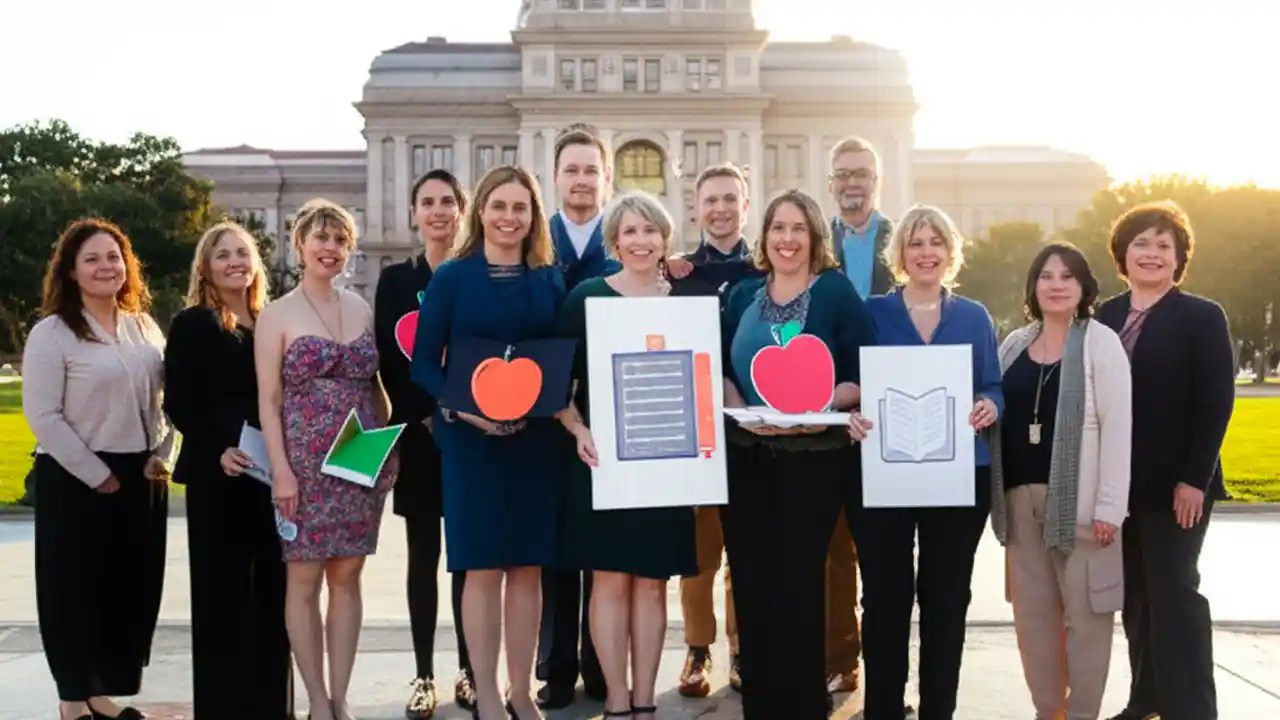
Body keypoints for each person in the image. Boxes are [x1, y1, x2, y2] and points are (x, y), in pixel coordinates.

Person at [410, 165, 568, 720]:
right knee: (480, 569)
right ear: (480, 211)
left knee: (527, 568)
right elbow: (424, 364)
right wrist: (465, 407)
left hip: (534, 441)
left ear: (533, 216)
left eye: (520, 208)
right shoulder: (453, 278)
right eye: (499, 206)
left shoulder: (549, 279)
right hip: (470, 442)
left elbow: (561, 357)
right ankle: (487, 695)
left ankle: (522, 693)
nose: (509, 217)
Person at [720, 189, 877, 720]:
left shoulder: (834, 293)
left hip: (812, 461)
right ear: (764, 237)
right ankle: (760, 705)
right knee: (752, 581)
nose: (787, 239)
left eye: (798, 229)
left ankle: (803, 705)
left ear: (815, 237)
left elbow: (865, 369)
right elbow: (716, 366)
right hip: (745, 458)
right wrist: (740, 405)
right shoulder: (741, 294)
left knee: (797, 584)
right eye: (777, 228)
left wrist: (817, 407)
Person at [847, 204, 1003, 720]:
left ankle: (939, 709)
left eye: (936, 242)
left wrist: (989, 405)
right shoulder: (871, 312)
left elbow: (993, 385)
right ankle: (884, 709)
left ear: (950, 252)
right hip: (884, 475)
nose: (926, 252)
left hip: (958, 477)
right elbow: (855, 384)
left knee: (947, 600)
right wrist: (851, 412)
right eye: (915, 243)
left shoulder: (974, 316)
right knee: (885, 601)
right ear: (900, 254)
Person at [555, 190, 700, 719]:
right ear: (615, 241)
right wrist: (577, 429)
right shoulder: (586, 297)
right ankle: (616, 698)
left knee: (652, 584)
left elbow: (704, 383)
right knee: (610, 580)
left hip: (666, 463)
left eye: (651, 231)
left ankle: (645, 700)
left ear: (666, 239)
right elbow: (557, 387)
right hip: (604, 462)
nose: (642, 241)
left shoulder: (686, 303)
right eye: (631, 232)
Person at [22, 218, 172, 720]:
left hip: (142, 473)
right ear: (70, 271)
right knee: (74, 590)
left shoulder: (144, 327)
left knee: (125, 589)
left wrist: (163, 452)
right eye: (92, 258)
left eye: (114, 257)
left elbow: (167, 399)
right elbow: (43, 415)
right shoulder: (53, 333)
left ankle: (100, 694)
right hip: (77, 477)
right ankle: (73, 700)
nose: (106, 266)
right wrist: (95, 473)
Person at [255, 198, 397, 720]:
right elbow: (268, 401)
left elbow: (375, 386)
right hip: (304, 465)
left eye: (339, 239)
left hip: (359, 461)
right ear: (300, 244)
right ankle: (314, 697)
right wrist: (282, 472)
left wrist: (386, 446)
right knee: (304, 578)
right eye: (320, 238)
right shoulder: (277, 315)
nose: (330, 248)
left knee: (347, 575)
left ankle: (341, 698)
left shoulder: (360, 307)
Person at [1096, 201, 1235, 720]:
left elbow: (1216, 402)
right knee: (1136, 602)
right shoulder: (1104, 317)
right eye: (1140, 243)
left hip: (1178, 488)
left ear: (1178, 259)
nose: (1151, 253)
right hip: (1120, 489)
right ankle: (1146, 697)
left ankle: (1191, 708)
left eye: (1163, 245)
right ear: (1122, 254)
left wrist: (1194, 479)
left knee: (1176, 597)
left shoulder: (1201, 316)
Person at [989, 242, 1132, 720]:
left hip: (1083, 508)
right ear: (1033, 286)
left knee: (1086, 626)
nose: (1055, 284)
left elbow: (1118, 427)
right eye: (1046, 275)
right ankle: (1048, 712)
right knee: (1034, 626)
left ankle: (1083, 715)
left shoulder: (1100, 342)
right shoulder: (1012, 345)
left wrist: (1110, 508)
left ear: (1083, 287)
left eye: (1067, 276)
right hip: (1020, 507)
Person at [164, 221, 293, 719]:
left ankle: (270, 708)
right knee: (223, 602)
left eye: (242, 252)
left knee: (273, 600)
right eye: (223, 255)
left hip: (271, 478)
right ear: (207, 268)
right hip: (221, 477)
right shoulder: (195, 323)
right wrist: (217, 447)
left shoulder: (270, 322)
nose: (235, 261)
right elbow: (179, 400)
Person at [375, 169, 476, 718]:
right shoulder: (395, 280)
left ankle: (469, 669)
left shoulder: (473, 274)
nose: (437, 212)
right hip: (418, 436)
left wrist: (461, 410)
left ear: (461, 211)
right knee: (422, 559)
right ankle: (422, 675)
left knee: (467, 560)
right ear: (414, 213)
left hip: (470, 435)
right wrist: (425, 416)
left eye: (447, 202)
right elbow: (391, 363)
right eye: (427, 202)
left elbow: (482, 352)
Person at [662, 162, 761, 696]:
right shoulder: (679, 274)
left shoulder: (766, 270)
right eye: (711, 200)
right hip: (696, 429)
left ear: (746, 206)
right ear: (696, 208)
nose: (721, 208)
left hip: (751, 427)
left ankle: (742, 650)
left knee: (744, 548)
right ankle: (697, 652)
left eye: (731, 199)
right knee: (700, 553)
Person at [538, 126, 614, 709]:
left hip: (610, 412)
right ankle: (557, 664)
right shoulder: (537, 247)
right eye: (572, 169)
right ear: (556, 178)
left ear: (605, 179)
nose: (582, 180)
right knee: (555, 545)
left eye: (592, 170)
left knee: (601, 544)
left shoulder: (627, 244)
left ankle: (600, 661)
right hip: (544, 412)